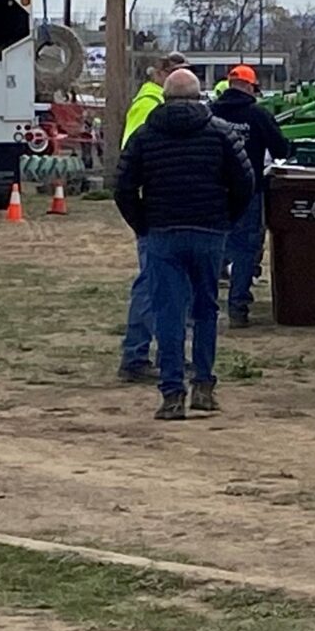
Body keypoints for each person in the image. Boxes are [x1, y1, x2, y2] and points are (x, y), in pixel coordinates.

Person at [113, 69, 255, 420]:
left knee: (168, 313)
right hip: (209, 231)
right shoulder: (220, 133)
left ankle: (172, 393)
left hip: (163, 232)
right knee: (206, 310)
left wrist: (143, 225)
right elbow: (244, 182)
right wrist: (225, 219)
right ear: (199, 96)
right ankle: (203, 386)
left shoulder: (145, 135)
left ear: (164, 98)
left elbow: (123, 186)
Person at [116, 51, 191, 383]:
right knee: (151, 285)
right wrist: (141, 217)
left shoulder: (158, 103)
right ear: (159, 73)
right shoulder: (148, 105)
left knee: (169, 286)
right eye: (174, 72)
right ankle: (136, 356)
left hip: (163, 209)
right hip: (156, 211)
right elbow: (132, 161)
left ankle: (165, 355)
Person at [210, 64, 292, 327]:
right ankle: (238, 308)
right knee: (246, 249)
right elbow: (281, 150)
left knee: (213, 245)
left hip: (213, 192)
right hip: (248, 191)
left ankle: (206, 306)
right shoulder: (258, 115)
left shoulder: (210, 113)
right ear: (248, 86)